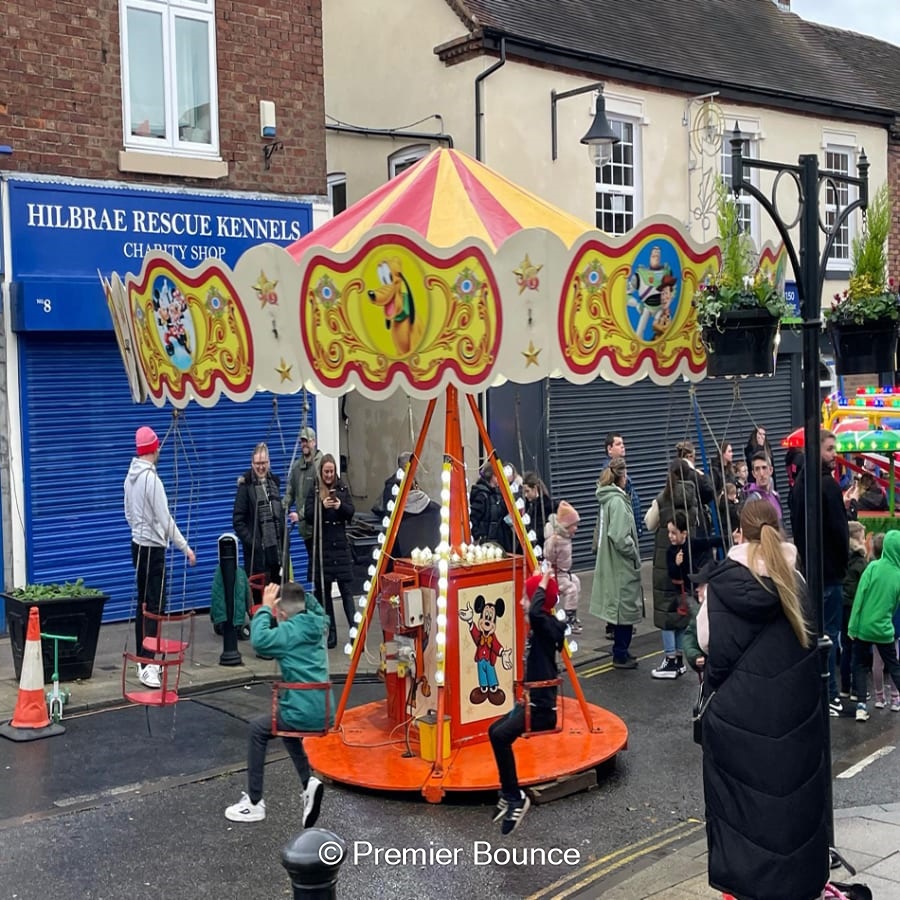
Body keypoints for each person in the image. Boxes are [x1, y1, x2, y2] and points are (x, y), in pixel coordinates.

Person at [697, 500, 828, 900]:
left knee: (745, 816)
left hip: (738, 722)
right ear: (779, 530)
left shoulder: (721, 586)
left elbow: (706, 642)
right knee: (791, 810)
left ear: (739, 533)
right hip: (793, 718)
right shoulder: (797, 580)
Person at [225, 582, 331, 826]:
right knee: (286, 730)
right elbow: (320, 611)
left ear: (281, 614)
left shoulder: (288, 631)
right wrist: (304, 595)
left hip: (303, 709)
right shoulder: (318, 624)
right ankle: (308, 783)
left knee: (257, 730)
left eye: (277, 614)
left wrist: (264, 608)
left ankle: (254, 802)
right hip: (323, 710)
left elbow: (260, 641)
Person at [488, 570, 566, 836]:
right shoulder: (541, 627)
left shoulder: (543, 626)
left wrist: (543, 583)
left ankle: (516, 797)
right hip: (531, 703)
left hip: (542, 711)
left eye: (525, 597)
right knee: (493, 732)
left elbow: (534, 611)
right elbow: (535, 611)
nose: (521, 603)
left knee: (500, 736)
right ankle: (507, 791)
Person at [124, 426, 196, 689]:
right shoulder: (152, 480)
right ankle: (149, 665)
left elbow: (128, 514)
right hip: (153, 548)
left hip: (137, 544)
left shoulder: (129, 477)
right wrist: (185, 547)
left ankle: (143, 661)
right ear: (153, 448)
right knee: (154, 608)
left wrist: (138, 531)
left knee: (143, 604)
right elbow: (165, 521)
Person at [790, 429, 849, 716]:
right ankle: (831, 695)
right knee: (829, 635)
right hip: (830, 571)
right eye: (829, 449)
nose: (833, 454)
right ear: (816, 451)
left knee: (814, 634)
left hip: (810, 569)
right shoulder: (828, 486)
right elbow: (840, 532)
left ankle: (818, 692)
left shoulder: (800, 484)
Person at [650, 511, 721, 679]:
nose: (671, 536)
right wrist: (676, 564)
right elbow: (672, 573)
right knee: (681, 621)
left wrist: (726, 538)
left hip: (689, 591)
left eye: (674, 533)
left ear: (684, 533)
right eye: (669, 532)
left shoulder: (690, 544)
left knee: (686, 623)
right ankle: (675, 658)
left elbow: (707, 542)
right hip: (679, 593)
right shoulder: (670, 552)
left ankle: (680, 657)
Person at [590, 458, 643, 668]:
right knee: (625, 609)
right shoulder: (618, 502)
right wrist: (634, 555)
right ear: (621, 476)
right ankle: (620, 653)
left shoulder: (606, 499)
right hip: (621, 564)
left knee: (619, 608)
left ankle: (621, 651)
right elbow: (620, 536)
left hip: (610, 562)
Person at [849, 530, 900, 723]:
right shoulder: (898, 575)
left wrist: (853, 626)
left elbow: (860, 597)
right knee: (894, 665)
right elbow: (895, 605)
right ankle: (896, 698)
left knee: (860, 666)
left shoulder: (872, 567)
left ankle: (861, 706)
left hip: (863, 627)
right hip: (884, 629)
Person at [305, 453, 355, 649]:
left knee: (347, 592)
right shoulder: (315, 490)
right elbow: (308, 514)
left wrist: (339, 505)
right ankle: (331, 633)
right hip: (323, 547)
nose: (329, 475)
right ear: (321, 472)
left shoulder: (342, 487)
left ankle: (354, 631)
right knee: (324, 594)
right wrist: (321, 506)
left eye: (331, 471)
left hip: (340, 547)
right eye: (326, 471)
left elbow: (351, 512)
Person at [233, 443, 285, 604]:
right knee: (259, 603)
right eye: (257, 464)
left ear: (269, 463)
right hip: (257, 557)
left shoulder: (274, 484)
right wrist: (254, 543)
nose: (261, 467)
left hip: (275, 554)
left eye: (263, 463)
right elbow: (237, 521)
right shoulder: (245, 487)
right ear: (252, 464)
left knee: (277, 601)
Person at [284, 426, 324, 582]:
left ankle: (321, 601)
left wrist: (299, 515)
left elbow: (320, 497)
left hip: (320, 528)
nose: (304, 444)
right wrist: (281, 509)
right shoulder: (296, 467)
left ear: (314, 442)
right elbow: (290, 493)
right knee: (314, 569)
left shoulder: (321, 464)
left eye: (307, 441)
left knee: (319, 570)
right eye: (302, 441)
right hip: (305, 530)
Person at [543, 501, 582, 634]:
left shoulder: (566, 537)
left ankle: (573, 614)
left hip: (564, 572)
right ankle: (570, 618)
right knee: (571, 589)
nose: (576, 528)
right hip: (556, 574)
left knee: (576, 582)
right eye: (574, 526)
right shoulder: (556, 540)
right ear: (566, 526)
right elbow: (548, 555)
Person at [840, 520, 867, 700]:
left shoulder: (841, 556)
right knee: (857, 650)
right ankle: (858, 690)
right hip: (855, 607)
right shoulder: (860, 561)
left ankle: (844, 687)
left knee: (845, 648)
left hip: (842, 604)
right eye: (864, 538)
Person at [601, 432, 642, 535]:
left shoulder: (620, 469)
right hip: (625, 531)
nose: (623, 446)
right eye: (618, 444)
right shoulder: (610, 472)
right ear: (609, 449)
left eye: (623, 443)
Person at [393, 479, 441, 559]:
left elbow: (392, 554)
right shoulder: (438, 509)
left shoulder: (396, 518)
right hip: (438, 564)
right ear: (417, 486)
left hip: (406, 567)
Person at [743, 451, 783, 524]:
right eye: (757, 469)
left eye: (764, 468)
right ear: (753, 473)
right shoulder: (753, 500)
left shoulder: (775, 496)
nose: (761, 473)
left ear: (771, 470)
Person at [469, 463, 505, 545]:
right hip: (484, 542)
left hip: (494, 541)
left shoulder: (496, 494)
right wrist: (478, 537)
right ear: (492, 476)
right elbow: (473, 518)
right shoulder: (482, 495)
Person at [374, 451, 412, 517]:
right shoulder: (392, 486)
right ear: (406, 466)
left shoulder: (411, 481)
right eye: (415, 465)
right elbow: (390, 513)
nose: (417, 468)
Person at [522, 472, 553, 540]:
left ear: (535, 488)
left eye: (527, 491)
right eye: (524, 492)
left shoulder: (547, 505)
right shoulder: (528, 505)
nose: (525, 495)